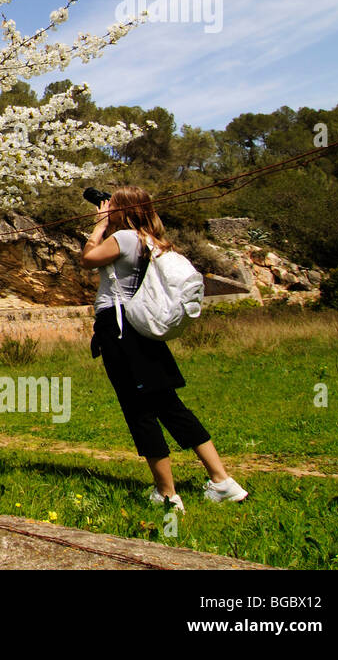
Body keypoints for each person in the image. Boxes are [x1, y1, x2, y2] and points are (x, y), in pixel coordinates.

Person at [79, 185, 247, 511]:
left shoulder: (124, 237)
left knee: (138, 409)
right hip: (143, 327)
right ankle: (222, 481)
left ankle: (167, 494)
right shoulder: (152, 241)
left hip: (120, 328)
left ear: (122, 210)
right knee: (170, 405)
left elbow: (88, 259)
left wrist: (99, 225)